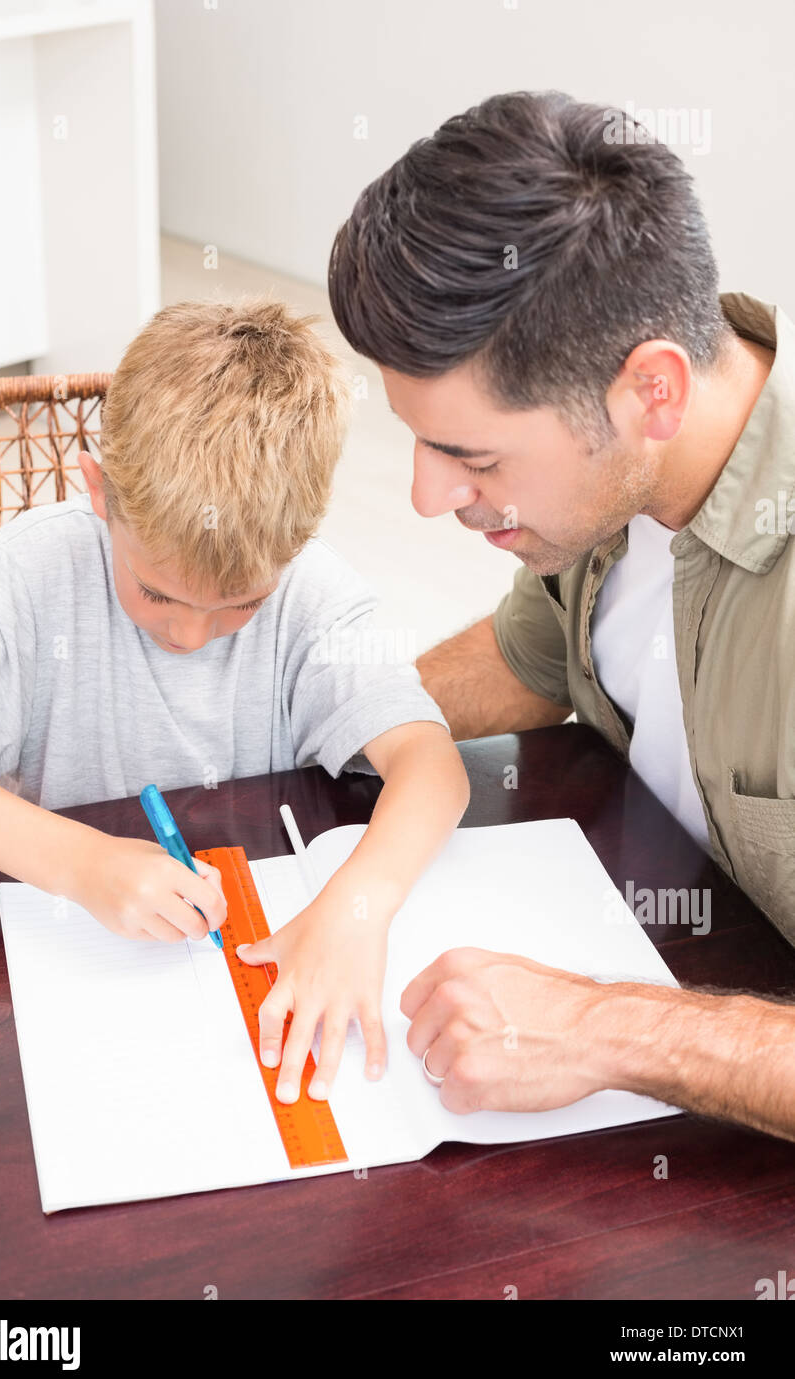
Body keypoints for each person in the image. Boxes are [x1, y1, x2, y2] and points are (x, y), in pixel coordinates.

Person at [327, 90, 795, 1140]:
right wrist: (284, 720)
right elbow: (524, 660)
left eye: (472, 457)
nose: (423, 497)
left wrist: (597, 1032)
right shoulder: (612, 491)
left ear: (651, 393)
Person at [0, 296, 470, 1106]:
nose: (190, 636)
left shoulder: (312, 595)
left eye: (241, 605)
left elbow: (434, 769)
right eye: (157, 594)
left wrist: (355, 909)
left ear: (300, 542)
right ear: (100, 491)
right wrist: (81, 864)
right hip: (48, 992)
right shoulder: (23, 580)